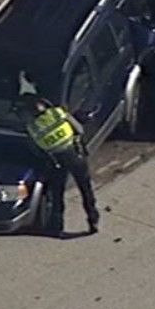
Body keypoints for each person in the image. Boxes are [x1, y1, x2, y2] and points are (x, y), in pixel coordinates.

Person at [24, 96, 101, 237]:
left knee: (57, 195)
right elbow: (80, 130)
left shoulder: (32, 128)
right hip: (75, 155)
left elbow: (37, 150)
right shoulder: (57, 113)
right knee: (85, 189)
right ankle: (93, 220)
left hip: (56, 161)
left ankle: (56, 227)